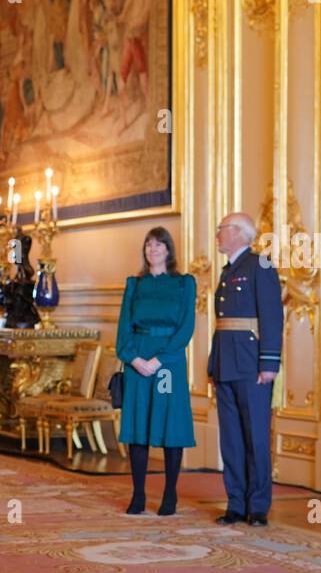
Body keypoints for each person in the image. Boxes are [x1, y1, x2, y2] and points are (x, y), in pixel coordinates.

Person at [207, 212, 282, 526]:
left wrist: (269, 362)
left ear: (238, 232)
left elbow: (272, 316)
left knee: (255, 437)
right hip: (226, 364)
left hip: (252, 366)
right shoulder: (227, 272)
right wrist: (213, 364)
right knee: (232, 440)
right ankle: (235, 503)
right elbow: (222, 323)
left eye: (221, 229)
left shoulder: (260, 265)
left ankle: (258, 506)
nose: (217, 234)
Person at [116, 226, 196, 515]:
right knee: (138, 426)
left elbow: (186, 328)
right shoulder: (134, 285)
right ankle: (138, 494)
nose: (153, 250)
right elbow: (123, 327)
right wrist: (133, 358)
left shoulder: (184, 283)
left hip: (167, 365)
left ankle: (170, 494)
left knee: (169, 424)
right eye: (148, 245)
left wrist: (160, 360)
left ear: (168, 250)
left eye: (159, 245)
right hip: (138, 361)